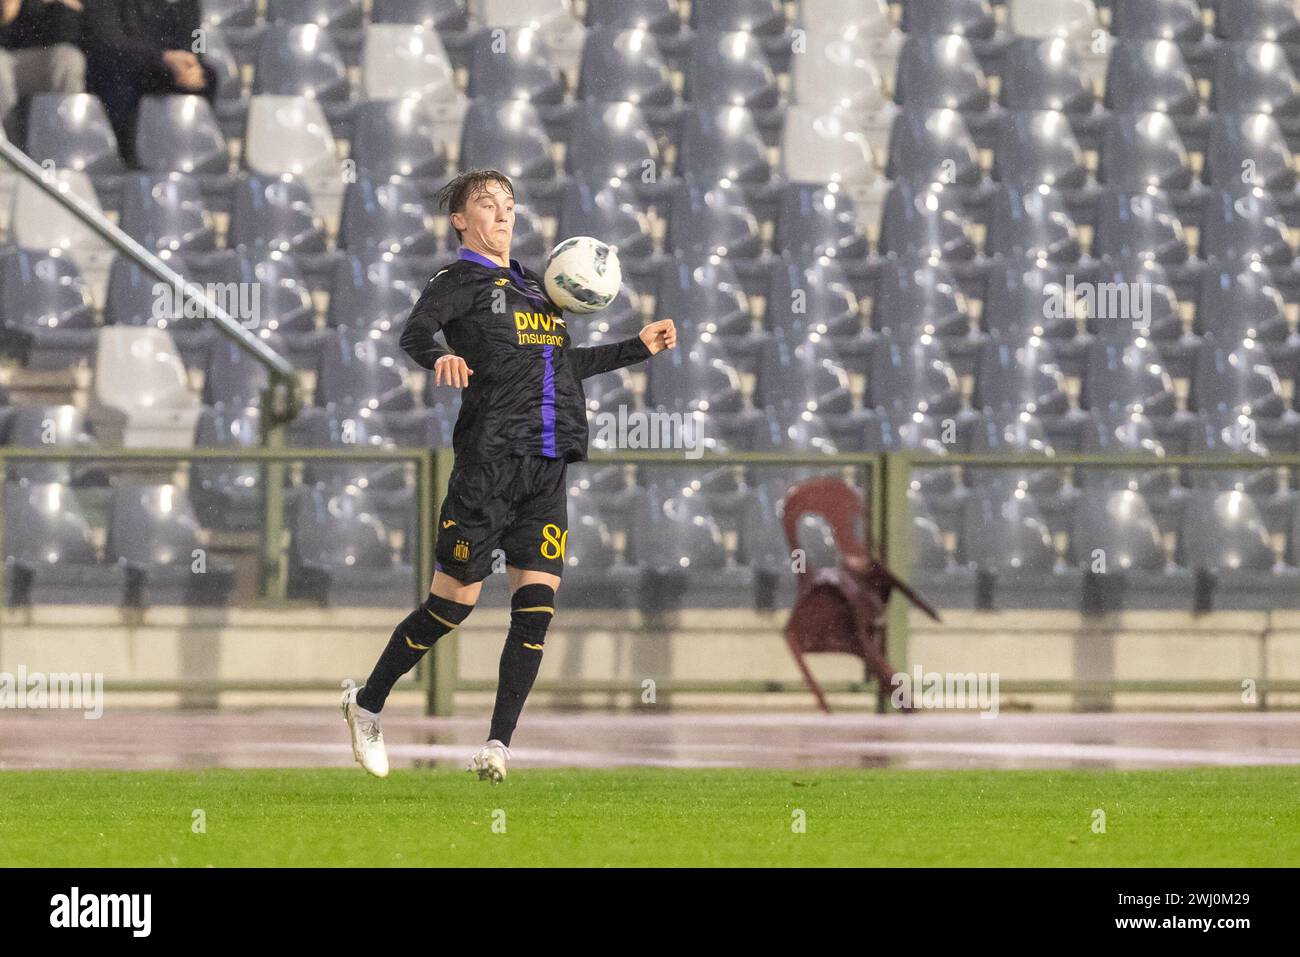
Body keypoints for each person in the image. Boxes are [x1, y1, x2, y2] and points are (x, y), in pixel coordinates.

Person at [341, 169, 677, 783]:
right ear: (461, 221)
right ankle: (366, 704)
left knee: (536, 607)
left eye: (509, 205)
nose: (502, 215)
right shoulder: (457, 281)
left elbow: (562, 364)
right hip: (488, 466)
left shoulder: (536, 286)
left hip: (547, 465)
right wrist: (440, 355)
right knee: (452, 606)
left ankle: (497, 745)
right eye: (487, 206)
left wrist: (637, 348)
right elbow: (414, 331)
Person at [80, 0, 214, 163]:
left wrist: (190, 66)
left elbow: (192, 43)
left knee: (207, 77)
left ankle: (190, 159)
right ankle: (126, 162)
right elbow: (109, 43)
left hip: (164, 72)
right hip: (120, 72)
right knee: (120, 83)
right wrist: (163, 58)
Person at [0, 0, 86, 128]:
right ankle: (6, 143)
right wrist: (5, 14)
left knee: (68, 59)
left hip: (41, 60)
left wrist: (55, 5)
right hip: (5, 57)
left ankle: (66, 135)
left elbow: (67, 37)